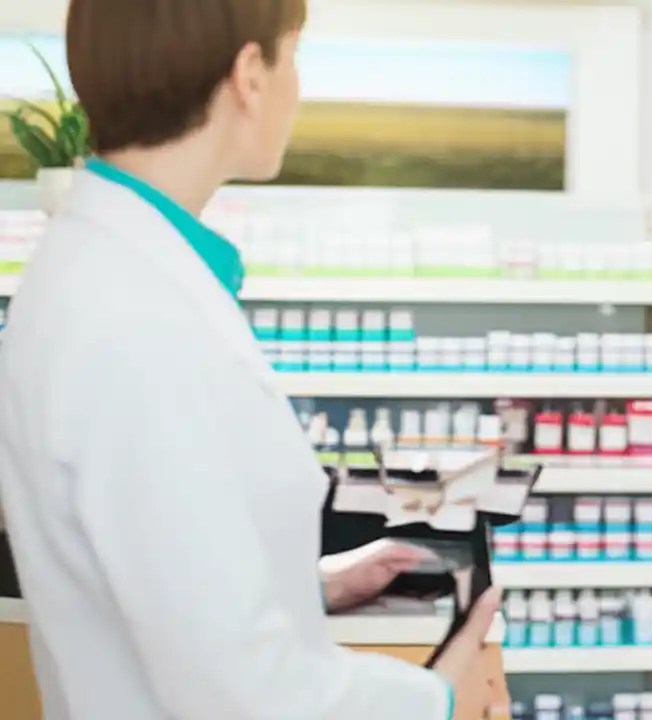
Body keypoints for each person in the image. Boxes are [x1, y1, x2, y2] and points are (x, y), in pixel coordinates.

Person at [0, 1, 499, 718]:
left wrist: (307, 585)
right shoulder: (131, 314)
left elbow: (150, 568)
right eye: (292, 55)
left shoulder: (114, 270)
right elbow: (241, 694)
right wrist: (437, 697)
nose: (297, 86)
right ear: (249, 76)